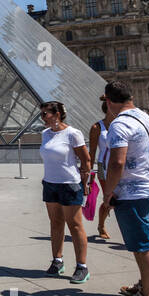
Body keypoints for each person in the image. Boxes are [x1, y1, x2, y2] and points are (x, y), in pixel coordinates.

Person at [100, 81, 149, 296]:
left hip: (130, 192)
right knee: (140, 242)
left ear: (108, 101)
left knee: (142, 245)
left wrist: (108, 193)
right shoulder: (145, 118)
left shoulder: (119, 124)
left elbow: (117, 163)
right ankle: (145, 285)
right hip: (147, 189)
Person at [38, 101, 91, 284]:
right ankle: (57, 260)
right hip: (50, 183)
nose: (43, 117)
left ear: (58, 114)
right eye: (41, 114)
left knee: (75, 226)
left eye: (46, 114)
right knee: (55, 223)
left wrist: (85, 184)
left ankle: (82, 266)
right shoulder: (45, 134)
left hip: (69, 184)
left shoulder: (72, 134)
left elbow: (86, 160)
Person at [87, 102, 115, 241]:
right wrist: (89, 173)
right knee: (109, 198)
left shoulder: (123, 124)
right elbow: (91, 152)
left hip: (122, 166)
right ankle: (101, 225)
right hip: (104, 166)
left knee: (124, 198)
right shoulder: (97, 127)